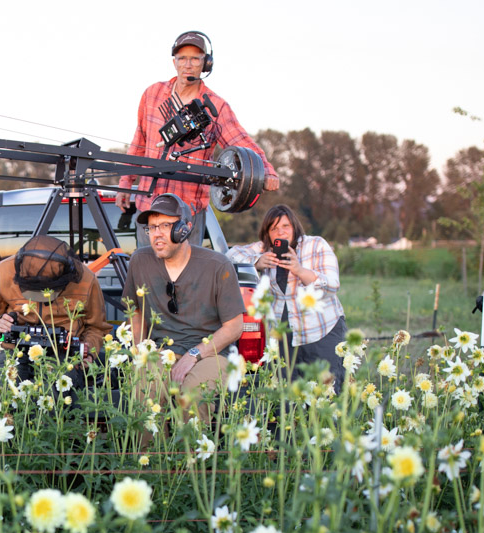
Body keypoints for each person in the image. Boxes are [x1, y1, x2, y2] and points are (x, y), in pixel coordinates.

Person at [117, 30, 279, 249]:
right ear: (174, 62)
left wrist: (266, 170)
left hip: (187, 213)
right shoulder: (152, 94)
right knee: (148, 280)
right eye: (182, 58)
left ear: (206, 63)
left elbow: (240, 140)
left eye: (195, 58)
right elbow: (139, 142)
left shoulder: (216, 106)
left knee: (187, 281)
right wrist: (126, 182)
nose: (188, 64)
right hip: (149, 209)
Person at [123, 193, 243, 407]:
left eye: (165, 226)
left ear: (184, 228)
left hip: (210, 354)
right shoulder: (139, 261)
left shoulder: (217, 265)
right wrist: (141, 351)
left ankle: (192, 442)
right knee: (143, 392)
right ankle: (151, 443)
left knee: (191, 396)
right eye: (152, 227)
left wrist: (193, 354)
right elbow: (135, 312)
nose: (156, 235)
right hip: (160, 352)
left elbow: (234, 327)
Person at [227, 204, 347, 389]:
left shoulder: (315, 245)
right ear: (268, 233)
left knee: (327, 391)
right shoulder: (264, 248)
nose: (281, 232)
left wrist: (299, 270)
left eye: (285, 226)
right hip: (283, 334)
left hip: (319, 330)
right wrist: (256, 261)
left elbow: (332, 284)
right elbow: (230, 255)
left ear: (294, 227)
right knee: (288, 393)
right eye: (274, 228)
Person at [0, 235, 112, 393]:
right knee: (1, 388)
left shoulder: (86, 280)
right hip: (13, 348)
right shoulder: (4, 270)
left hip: (61, 352)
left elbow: (97, 327)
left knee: (55, 395)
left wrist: (88, 352)